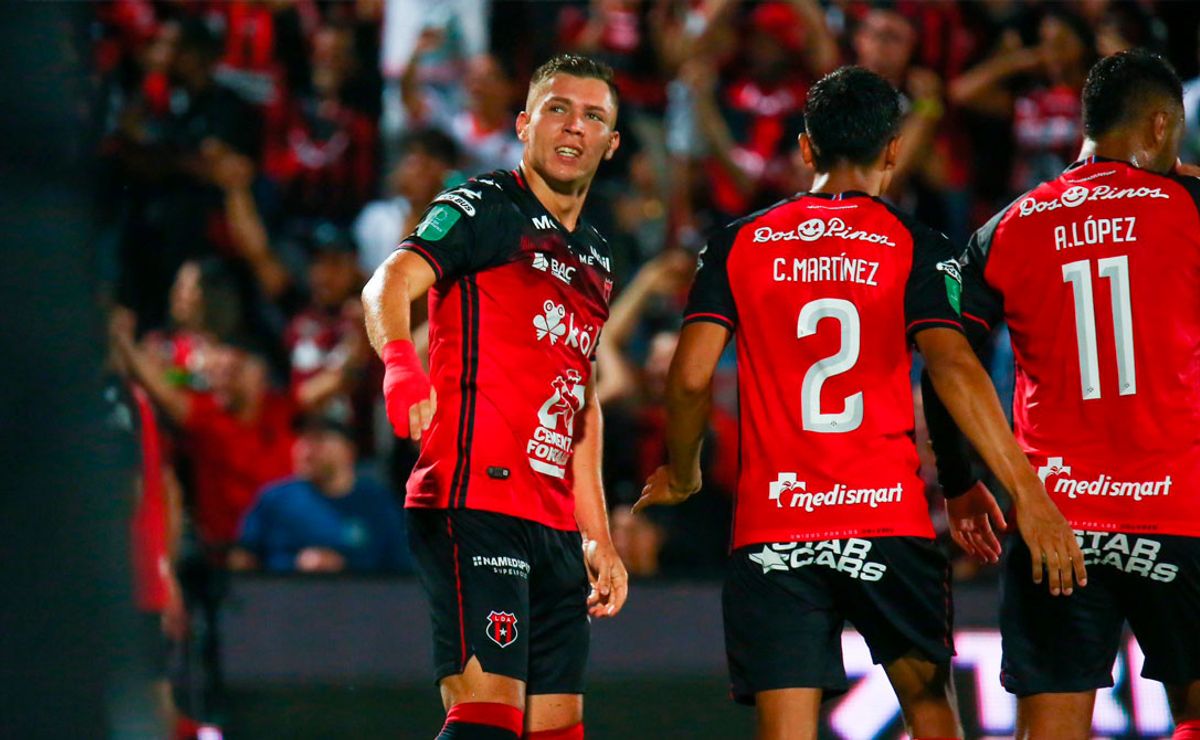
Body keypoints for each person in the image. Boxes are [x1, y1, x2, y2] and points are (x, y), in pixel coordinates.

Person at [634, 66, 1083, 740]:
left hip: (775, 527)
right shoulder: (917, 246)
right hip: (887, 521)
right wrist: (1027, 493)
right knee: (931, 712)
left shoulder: (738, 242)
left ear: (807, 149)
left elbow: (691, 377)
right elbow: (955, 366)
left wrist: (686, 470)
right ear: (894, 149)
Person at [925, 50, 1200, 740]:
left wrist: (961, 483)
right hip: (1179, 509)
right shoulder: (1189, 205)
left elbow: (944, 362)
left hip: (1060, 520)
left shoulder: (1006, 228)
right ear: (1162, 124)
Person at [361, 54, 629, 740]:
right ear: (524, 124)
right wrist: (400, 363)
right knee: (486, 723)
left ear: (612, 141)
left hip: (553, 526)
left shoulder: (598, 258)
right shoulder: (483, 205)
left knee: (556, 733)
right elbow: (388, 283)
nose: (574, 127)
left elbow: (582, 403)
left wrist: (597, 537)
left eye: (593, 115)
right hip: (473, 499)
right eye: (557, 109)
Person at [230, 417, 410, 574]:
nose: (306, 450)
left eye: (319, 440)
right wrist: (295, 564)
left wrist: (346, 567)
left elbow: (401, 568)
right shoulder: (274, 500)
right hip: (286, 604)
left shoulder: (377, 504)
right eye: (301, 439)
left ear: (349, 450)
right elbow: (243, 559)